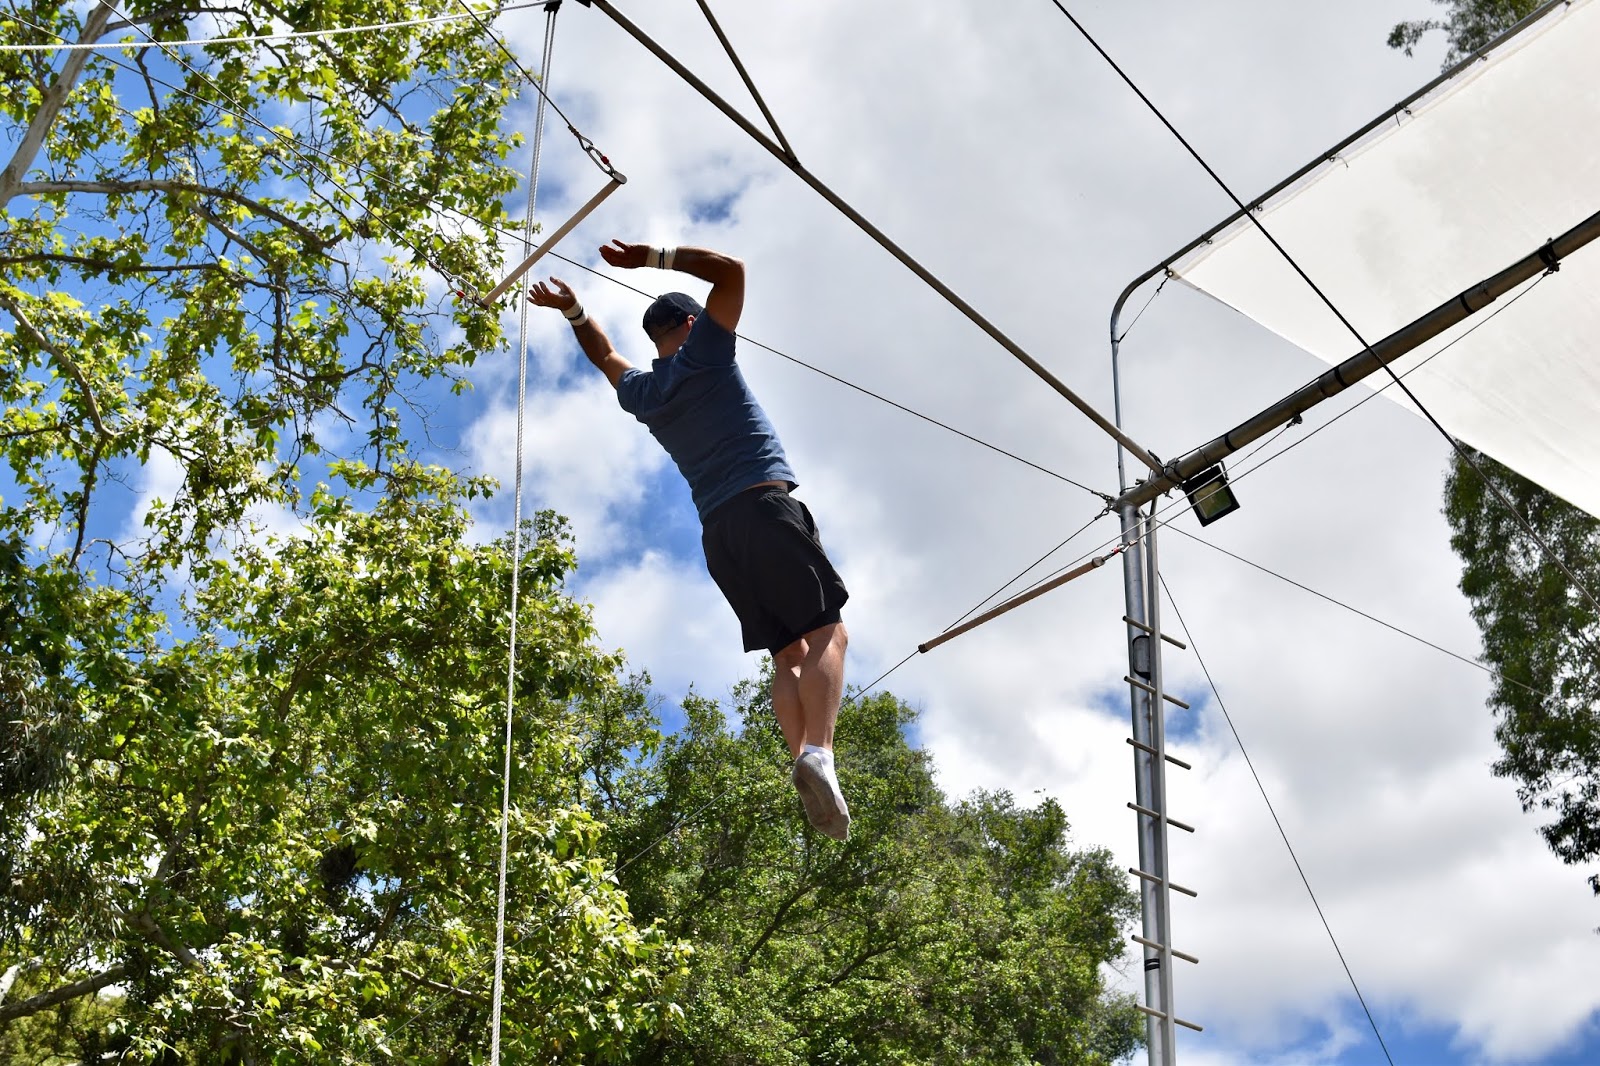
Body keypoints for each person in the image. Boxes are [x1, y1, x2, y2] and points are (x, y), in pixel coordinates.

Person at [529, 240, 852, 840]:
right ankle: (819, 753)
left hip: (719, 536)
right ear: (693, 323)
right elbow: (732, 271)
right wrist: (649, 258)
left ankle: (803, 760)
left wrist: (575, 311)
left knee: (788, 653)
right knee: (828, 629)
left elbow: (605, 358)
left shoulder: (647, 395)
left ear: (655, 339)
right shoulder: (704, 353)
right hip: (764, 507)